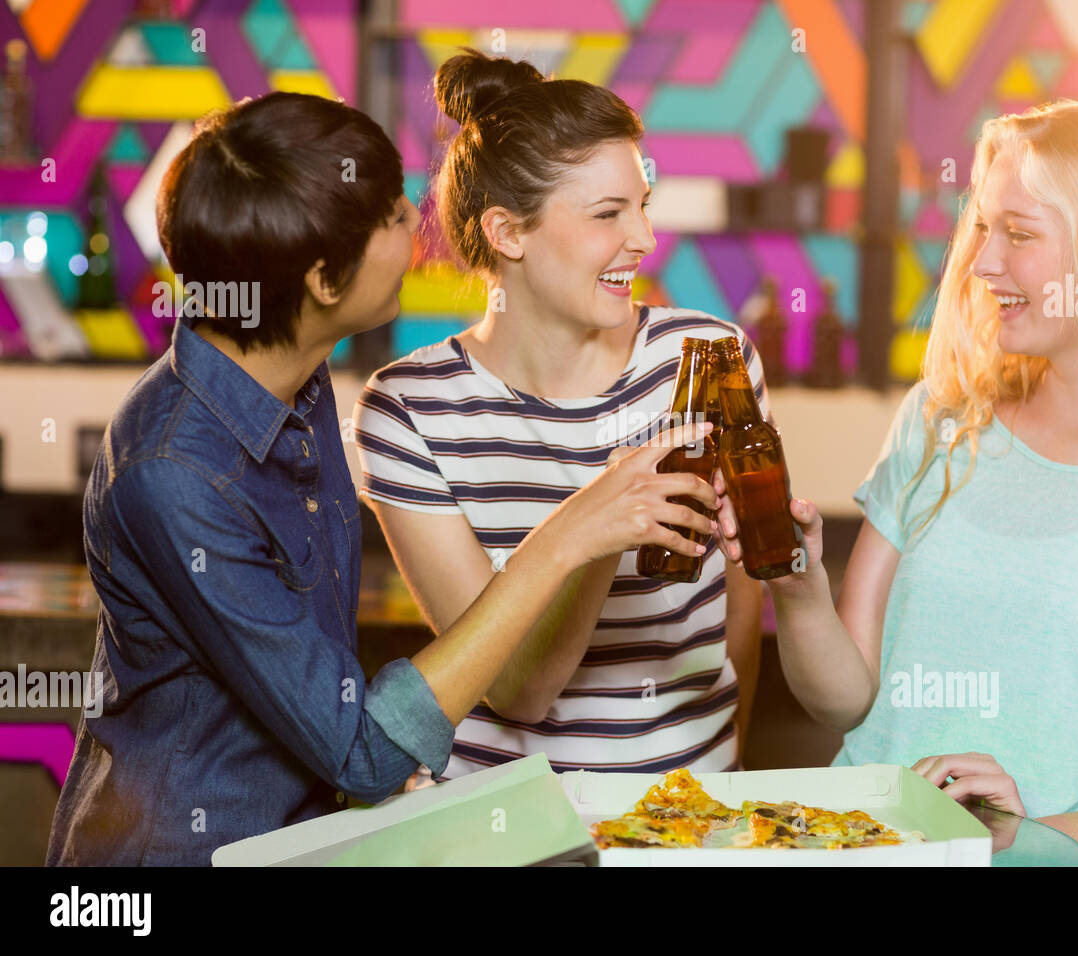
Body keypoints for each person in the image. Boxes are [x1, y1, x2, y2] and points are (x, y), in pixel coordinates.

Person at [46, 92, 716, 866]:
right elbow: (361, 750)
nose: (420, 225)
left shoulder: (288, 367)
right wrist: (569, 535)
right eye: (394, 218)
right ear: (326, 282)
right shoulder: (175, 474)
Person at [716, 99, 1078, 865]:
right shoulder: (942, 419)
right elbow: (846, 699)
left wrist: (1034, 842)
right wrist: (795, 585)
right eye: (984, 227)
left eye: (1018, 234)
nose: (984, 261)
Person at [353, 49, 768, 782]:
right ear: (509, 233)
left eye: (643, 205)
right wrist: (596, 526)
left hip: (691, 819)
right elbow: (519, 690)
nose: (642, 238)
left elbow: (742, 612)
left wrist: (721, 775)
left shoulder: (707, 355)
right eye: (609, 213)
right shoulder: (407, 412)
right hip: (505, 830)